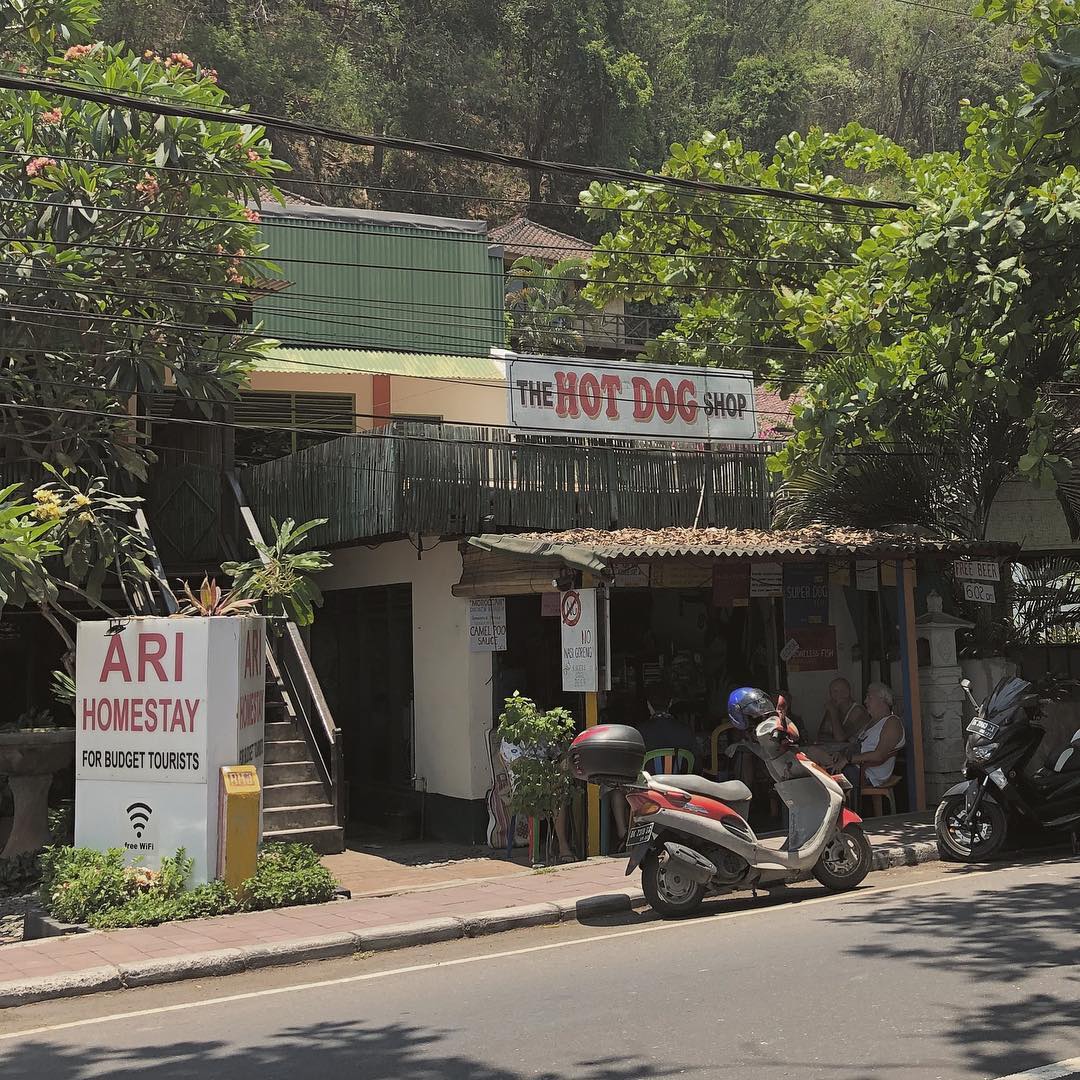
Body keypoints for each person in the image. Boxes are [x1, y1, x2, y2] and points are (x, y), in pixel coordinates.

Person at [834, 682, 906, 790]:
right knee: (816, 759)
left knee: (827, 778)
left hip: (868, 775)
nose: (865, 701)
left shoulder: (892, 722)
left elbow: (879, 755)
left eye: (869, 697)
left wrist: (848, 759)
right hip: (856, 766)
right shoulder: (871, 723)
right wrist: (841, 754)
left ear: (882, 700)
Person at [816, 677, 869, 744]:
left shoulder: (858, 711)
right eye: (831, 692)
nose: (832, 696)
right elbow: (821, 735)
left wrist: (833, 712)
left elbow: (840, 738)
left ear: (846, 693)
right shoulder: (834, 707)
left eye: (835, 692)